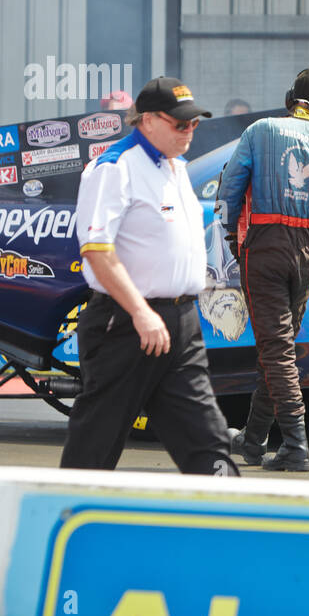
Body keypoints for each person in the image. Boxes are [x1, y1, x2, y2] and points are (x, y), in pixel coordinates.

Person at [62, 77, 239, 477]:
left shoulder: (175, 167)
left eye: (194, 123)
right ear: (147, 120)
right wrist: (141, 313)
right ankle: (61, 525)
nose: (190, 131)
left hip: (180, 322)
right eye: (181, 124)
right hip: (126, 324)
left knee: (208, 439)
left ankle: (228, 526)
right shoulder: (113, 167)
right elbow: (97, 250)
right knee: (96, 442)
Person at [218, 68, 309, 471]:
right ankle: (254, 439)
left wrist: (230, 235)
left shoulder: (260, 131)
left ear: (292, 97)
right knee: (278, 348)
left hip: (266, 243)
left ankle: (295, 444)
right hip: (307, 245)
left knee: (276, 350)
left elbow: (229, 188)